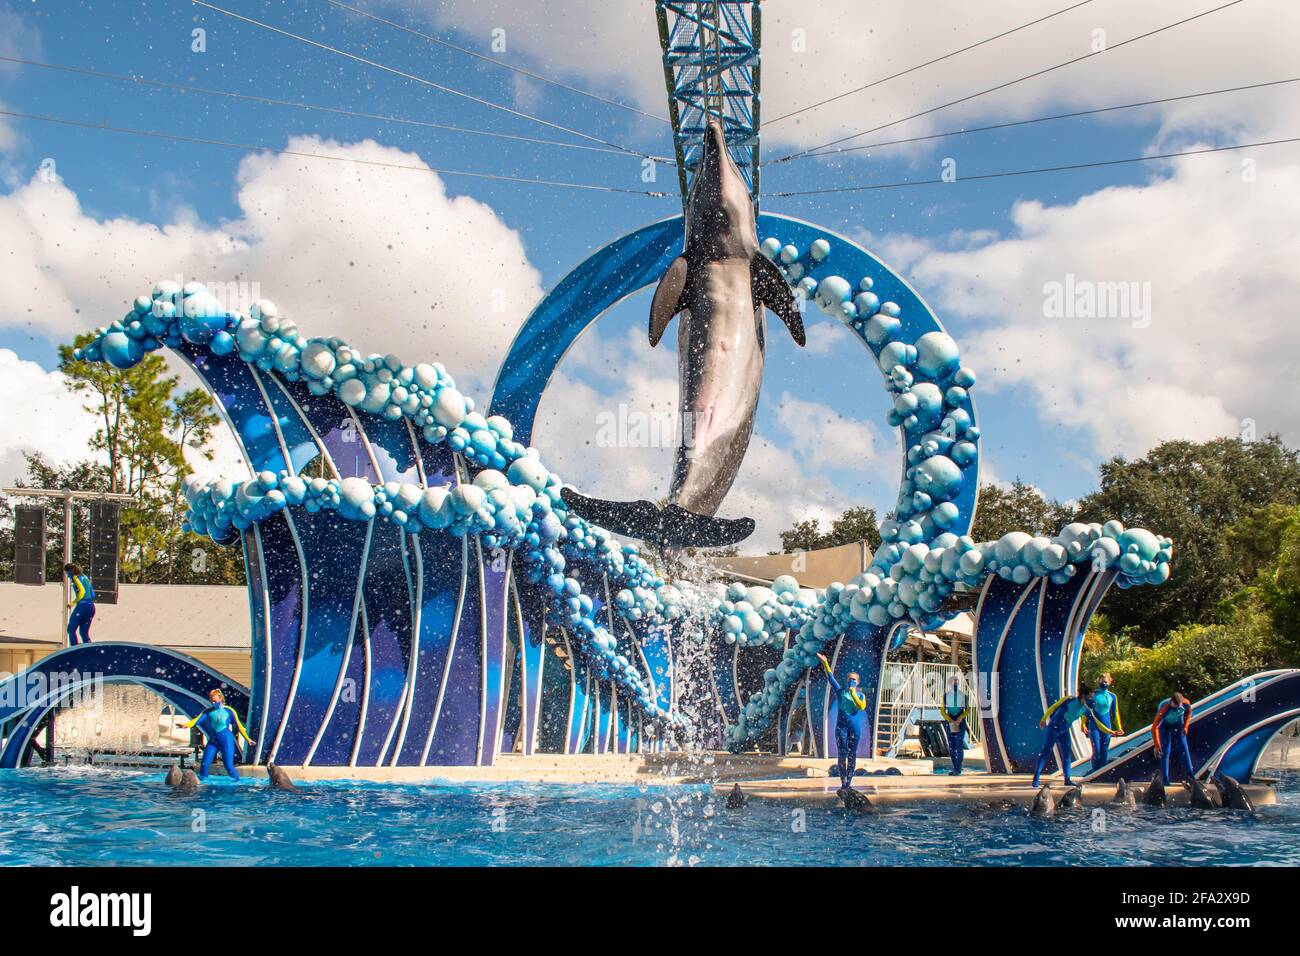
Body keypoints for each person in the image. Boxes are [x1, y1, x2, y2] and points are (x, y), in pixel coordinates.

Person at [817, 652, 868, 791]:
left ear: (857, 682)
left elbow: (861, 706)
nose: (851, 681)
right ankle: (843, 782)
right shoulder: (840, 692)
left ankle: (849, 782)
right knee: (842, 754)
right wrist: (825, 663)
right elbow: (830, 678)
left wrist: (852, 692)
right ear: (847, 681)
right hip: (841, 728)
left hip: (855, 728)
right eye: (850, 679)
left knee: (852, 754)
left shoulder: (860, 695)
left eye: (854, 680)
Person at [1031, 693, 1097, 787]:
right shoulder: (1069, 699)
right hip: (1053, 728)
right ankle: (1036, 778)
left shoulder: (1085, 709)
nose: (1089, 700)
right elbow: (1054, 707)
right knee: (1045, 752)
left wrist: (1111, 731)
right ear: (1082, 696)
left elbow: (1096, 722)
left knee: (1066, 755)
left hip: (1064, 731)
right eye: (1088, 698)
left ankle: (1067, 779)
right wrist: (1043, 719)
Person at [186, 689, 253, 781]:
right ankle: (201, 784)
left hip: (226, 741)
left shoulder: (229, 710)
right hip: (213, 741)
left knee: (228, 766)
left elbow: (239, 726)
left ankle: (238, 782)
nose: (213, 703)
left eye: (215, 701)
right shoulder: (207, 711)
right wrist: (186, 725)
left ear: (221, 699)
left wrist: (247, 739)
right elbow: (196, 720)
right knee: (204, 764)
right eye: (211, 701)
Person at [1152, 691, 1194, 786]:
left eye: (1179, 707)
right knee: (1165, 751)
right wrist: (1157, 746)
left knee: (1184, 748)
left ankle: (1191, 777)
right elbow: (1154, 727)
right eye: (1175, 706)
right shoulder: (1165, 707)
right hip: (1165, 727)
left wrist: (1186, 726)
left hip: (1178, 725)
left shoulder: (1186, 703)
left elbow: (1189, 713)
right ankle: (1165, 780)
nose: (1177, 708)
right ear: (1171, 702)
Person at [1087, 673, 1124, 771]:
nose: (1104, 683)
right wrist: (1083, 723)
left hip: (1107, 725)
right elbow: (1085, 709)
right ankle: (1095, 771)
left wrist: (1119, 727)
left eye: (1106, 681)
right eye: (1102, 681)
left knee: (1104, 750)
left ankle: (1103, 771)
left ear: (1109, 682)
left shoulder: (1112, 696)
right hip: (1093, 725)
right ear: (1098, 681)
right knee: (1096, 750)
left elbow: (1115, 712)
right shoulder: (1093, 694)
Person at [940, 674, 971, 775]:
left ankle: (958, 768)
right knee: (951, 745)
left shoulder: (964, 695)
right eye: (953, 682)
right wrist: (950, 720)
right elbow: (942, 711)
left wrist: (960, 718)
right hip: (950, 721)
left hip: (960, 721)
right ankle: (955, 766)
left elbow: (968, 710)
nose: (955, 683)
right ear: (949, 683)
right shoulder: (945, 696)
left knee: (959, 744)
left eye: (957, 681)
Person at [63, 563, 96, 646]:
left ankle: (74, 650)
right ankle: (89, 650)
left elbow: (82, 591)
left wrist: (73, 603)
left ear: (71, 571)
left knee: (70, 629)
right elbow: (92, 595)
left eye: (67, 573)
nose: (67, 576)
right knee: (83, 632)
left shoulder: (76, 577)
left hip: (82, 605)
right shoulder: (85, 578)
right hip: (91, 607)